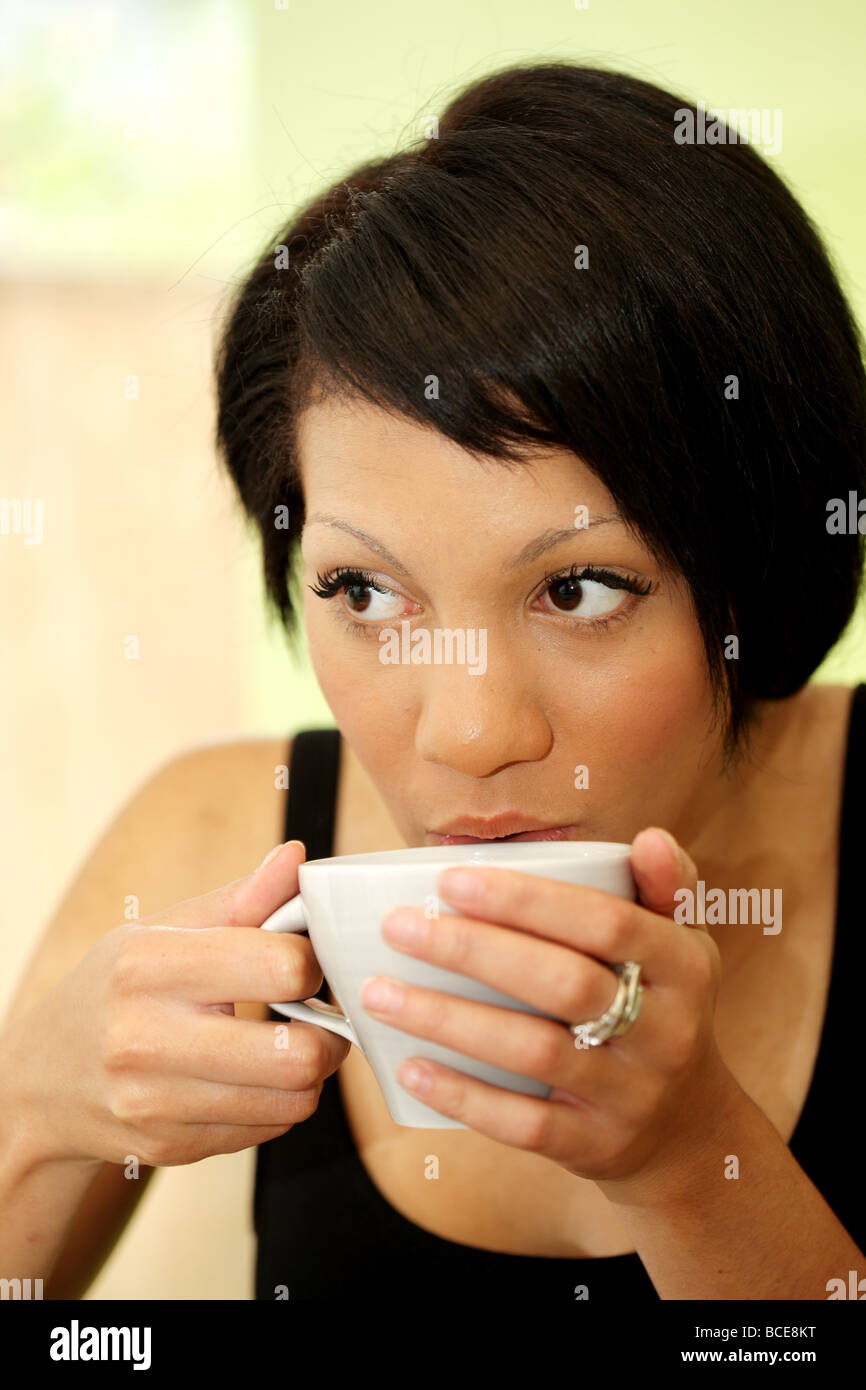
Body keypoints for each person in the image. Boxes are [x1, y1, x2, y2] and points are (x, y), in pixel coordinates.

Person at [2, 60, 865, 1302]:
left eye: (576, 590)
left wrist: (686, 1165)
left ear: (759, 553)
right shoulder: (215, 840)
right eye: (364, 593)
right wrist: (31, 1114)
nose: (467, 732)